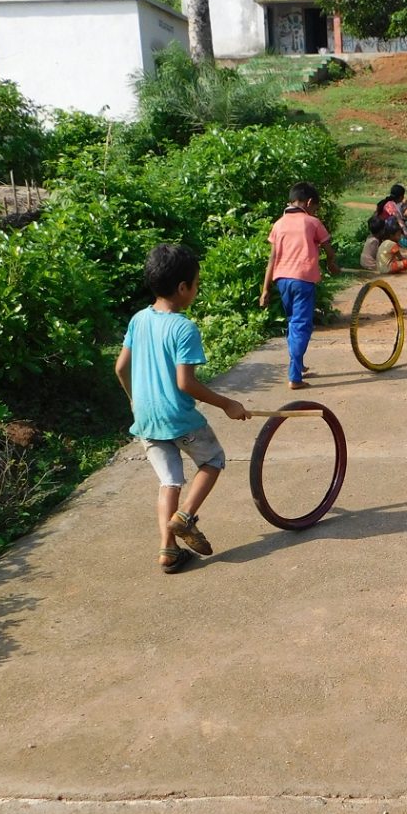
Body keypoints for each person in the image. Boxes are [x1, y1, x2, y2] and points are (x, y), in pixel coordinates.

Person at [114, 243, 249, 574]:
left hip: (145, 418)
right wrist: (228, 403)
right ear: (183, 287)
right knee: (213, 460)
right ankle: (185, 517)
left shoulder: (138, 320)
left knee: (169, 481)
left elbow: (120, 368)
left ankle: (168, 551)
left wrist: (134, 399)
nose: (196, 289)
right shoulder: (183, 327)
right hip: (179, 418)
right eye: (196, 283)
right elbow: (185, 383)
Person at [259, 180, 340, 391]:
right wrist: (331, 263)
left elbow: (272, 258)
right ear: (309, 202)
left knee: (293, 322)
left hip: (282, 280)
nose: (314, 210)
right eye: (314, 207)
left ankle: (299, 363)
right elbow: (328, 249)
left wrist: (265, 289)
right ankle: (294, 377)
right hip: (303, 280)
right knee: (301, 326)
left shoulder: (278, 224)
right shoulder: (312, 222)